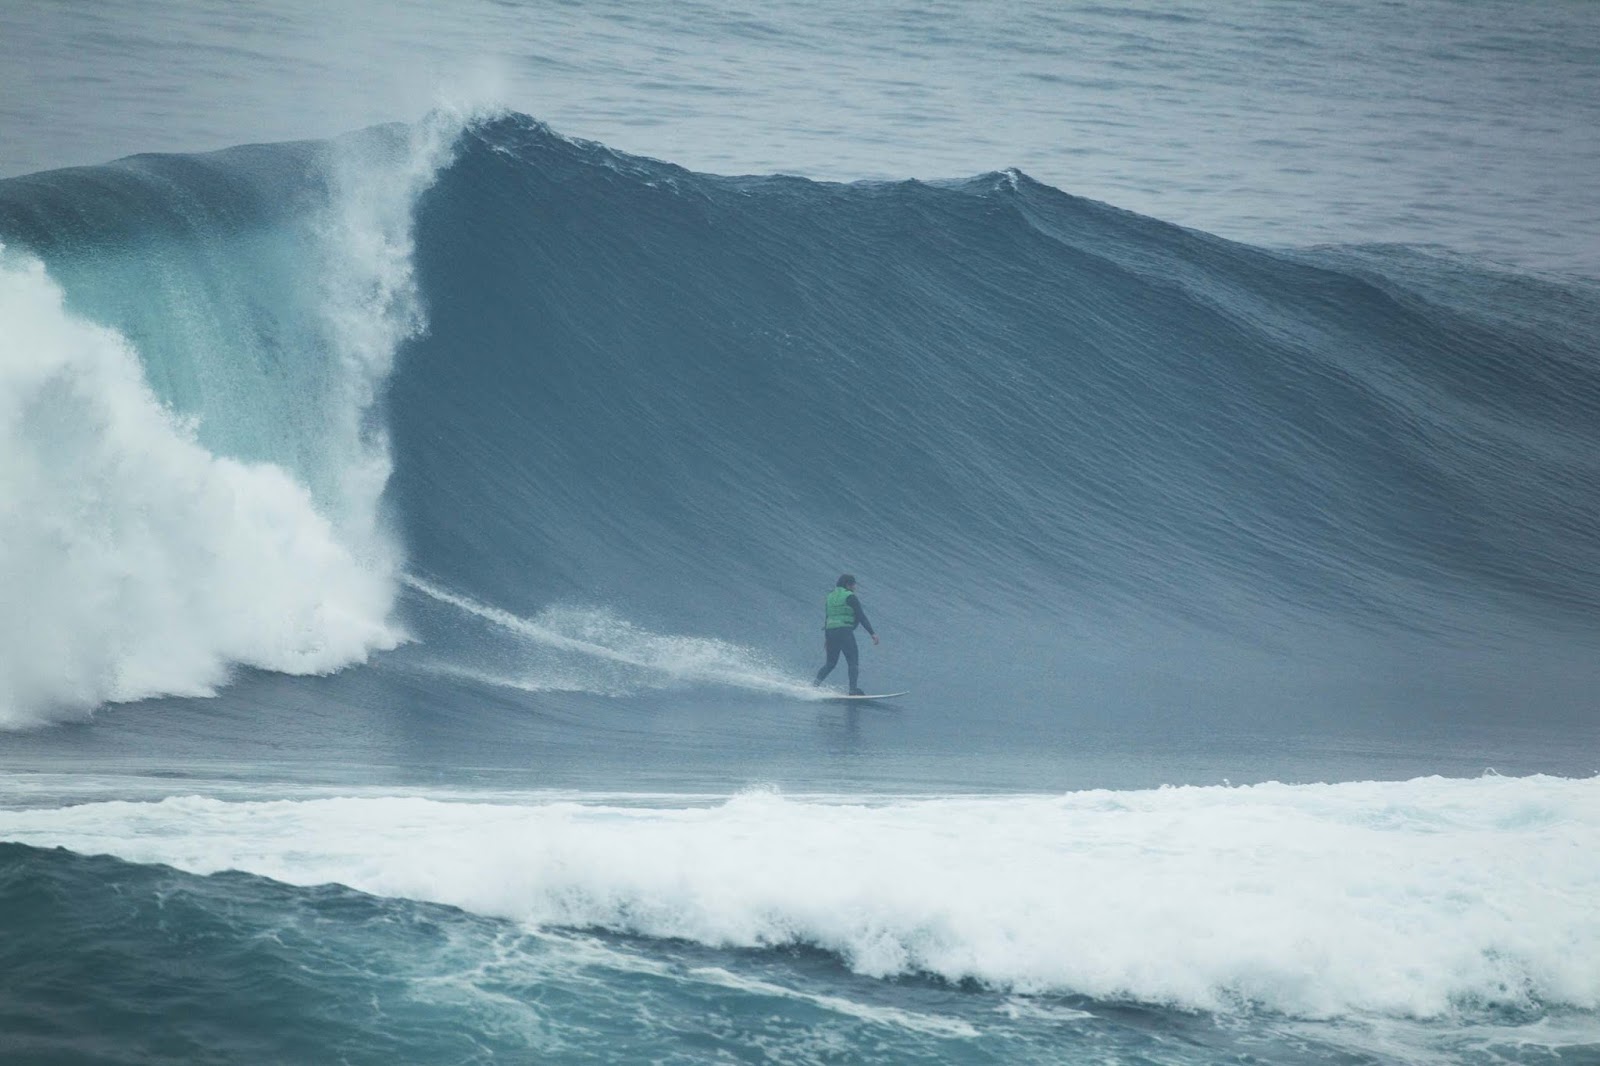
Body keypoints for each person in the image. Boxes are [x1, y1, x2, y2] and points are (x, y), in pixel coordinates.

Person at [813, 573, 879, 695]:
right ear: (848, 585)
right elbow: (861, 616)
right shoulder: (850, 597)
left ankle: (814, 685)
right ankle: (852, 690)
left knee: (830, 663)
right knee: (853, 661)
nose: (855, 588)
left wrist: (827, 639)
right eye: (854, 585)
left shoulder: (830, 596)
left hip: (831, 631)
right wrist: (872, 633)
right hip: (844, 632)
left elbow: (828, 618)